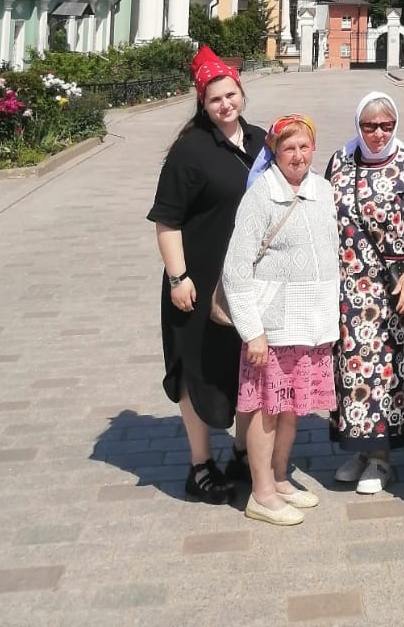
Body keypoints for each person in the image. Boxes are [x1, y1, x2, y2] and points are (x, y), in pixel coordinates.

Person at [148, 47, 266, 504]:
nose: (225, 105)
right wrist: (178, 278)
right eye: (215, 99)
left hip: (248, 282)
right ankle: (199, 465)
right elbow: (166, 221)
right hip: (198, 278)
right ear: (203, 102)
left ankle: (240, 452)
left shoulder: (259, 141)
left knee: (244, 364)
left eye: (231, 95)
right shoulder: (190, 150)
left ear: (242, 93)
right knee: (194, 368)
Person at [221, 114, 340, 526]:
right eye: (289, 147)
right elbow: (236, 268)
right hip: (271, 326)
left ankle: (279, 475)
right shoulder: (260, 196)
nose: (298, 155)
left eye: (305, 146)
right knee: (265, 409)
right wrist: (252, 331)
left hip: (310, 323)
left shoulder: (322, 191)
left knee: (291, 407)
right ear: (273, 150)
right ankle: (262, 493)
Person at [325, 92, 404, 494]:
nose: (377, 133)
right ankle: (358, 449)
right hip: (348, 285)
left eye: (386, 125)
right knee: (350, 370)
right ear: (358, 124)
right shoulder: (339, 161)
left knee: (385, 370)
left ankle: (382, 458)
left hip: (392, 288)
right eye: (370, 126)